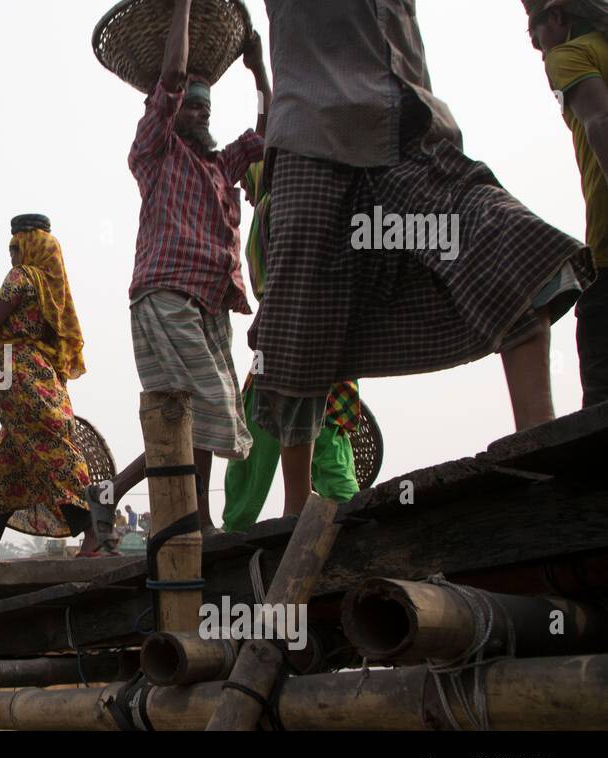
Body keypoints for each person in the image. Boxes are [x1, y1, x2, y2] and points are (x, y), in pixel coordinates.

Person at [254, 0, 593, 519]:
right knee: (297, 322)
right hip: (311, 132)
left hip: (409, 128)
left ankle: (540, 448)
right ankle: (296, 509)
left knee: (514, 249)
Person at [92, 0, 273, 544]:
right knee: (208, 405)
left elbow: (273, 122)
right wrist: (185, 9)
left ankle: (150, 505)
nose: (200, 113)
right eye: (190, 107)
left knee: (191, 417)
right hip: (165, 291)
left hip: (211, 302)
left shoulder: (221, 165)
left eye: (205, 107)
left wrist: (258, 67)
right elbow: (170, 79)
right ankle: (192, 516)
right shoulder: (155, 151)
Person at [0, 216, 99, 563]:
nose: (11, 256)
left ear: (32, 247)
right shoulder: (54, 291)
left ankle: (94, 532)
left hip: (21, 372)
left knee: (49, 446)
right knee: (9, 456)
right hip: (34, 375)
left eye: (16, 248)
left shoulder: (22, 277)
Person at [222, 163, 361, 533]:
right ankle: (342, 519)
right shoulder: (278, 201)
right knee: (321, 440)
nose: (246, 193)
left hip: (293, 333)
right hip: (314, 337)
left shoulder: (279, 204)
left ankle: (245, 530)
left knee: (264, 443)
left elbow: (290, 267)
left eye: (247, 182)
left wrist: (265, 316)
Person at [528, 0, 608, 407]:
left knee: (600, 397)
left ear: (557, 18)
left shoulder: (569, 55)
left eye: (535, 36)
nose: (539, 51)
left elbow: (600, 122)